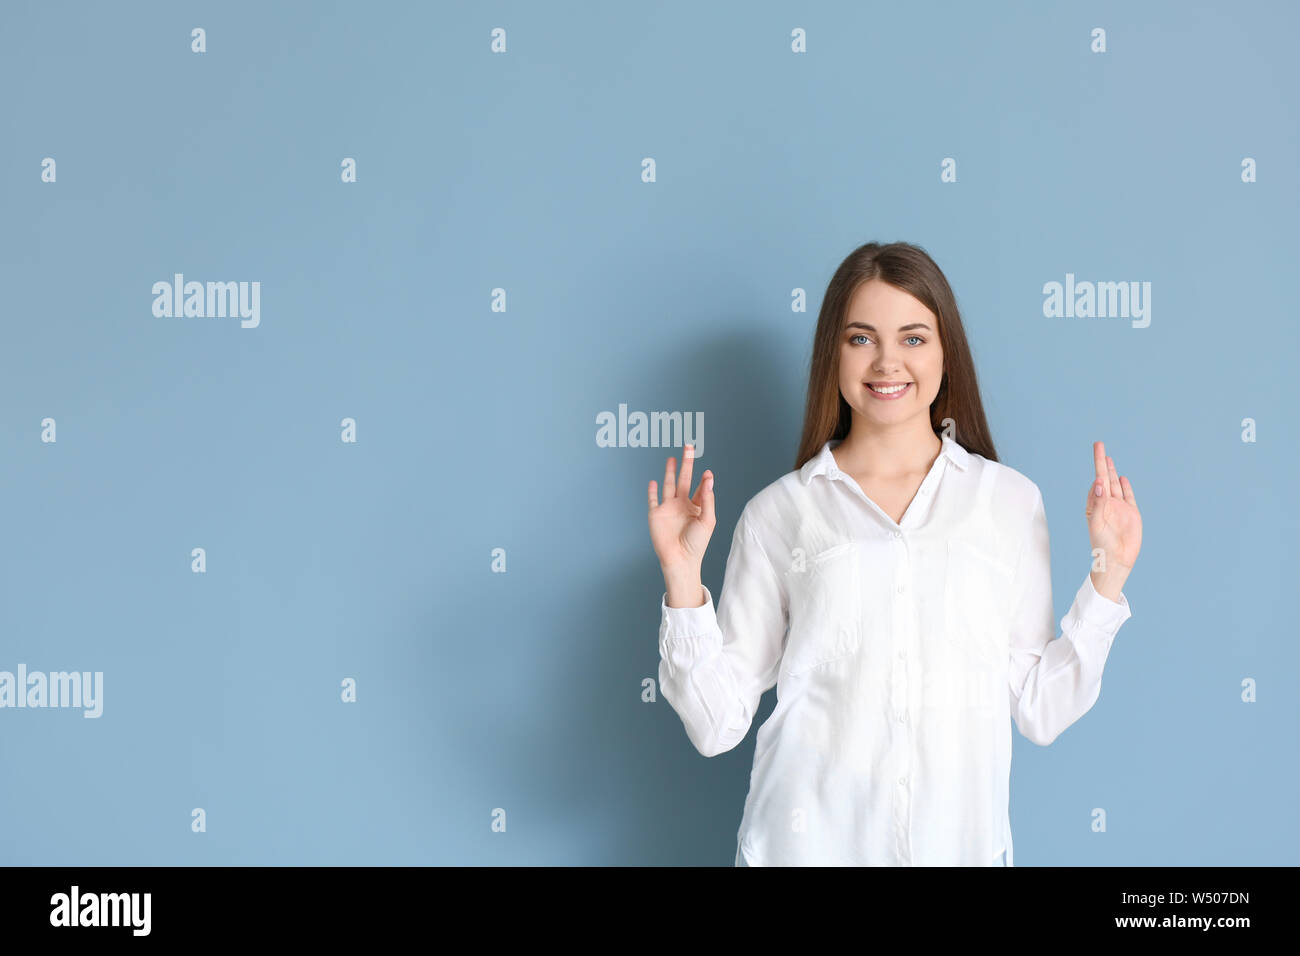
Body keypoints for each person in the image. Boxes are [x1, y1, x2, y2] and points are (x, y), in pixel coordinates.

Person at [647, 241, 1143, 867]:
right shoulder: (780, 514)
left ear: (944, 353)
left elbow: (1041, 708)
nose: (887, 362)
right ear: (834, 351)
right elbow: (717, 725)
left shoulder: (1009, 503)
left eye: (913, 338)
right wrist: (682, 577)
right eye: (861, 339)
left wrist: (1109, 576)